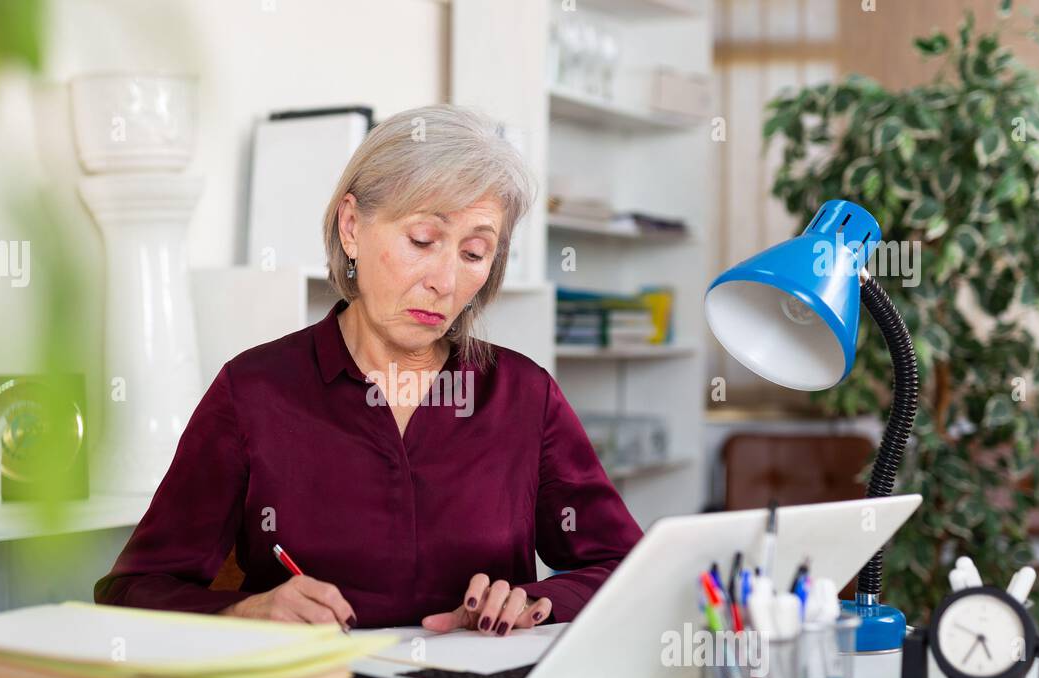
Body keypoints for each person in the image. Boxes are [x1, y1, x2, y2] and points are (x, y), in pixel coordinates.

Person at [95, 104, 642, 634]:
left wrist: (536, 599)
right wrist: (246, 612)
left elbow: (626, 564)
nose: (445, 282)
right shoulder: (255, 392)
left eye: (474, 254)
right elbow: (134, 587)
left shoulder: (524, 396)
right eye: (422, 241)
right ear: (352, 226)